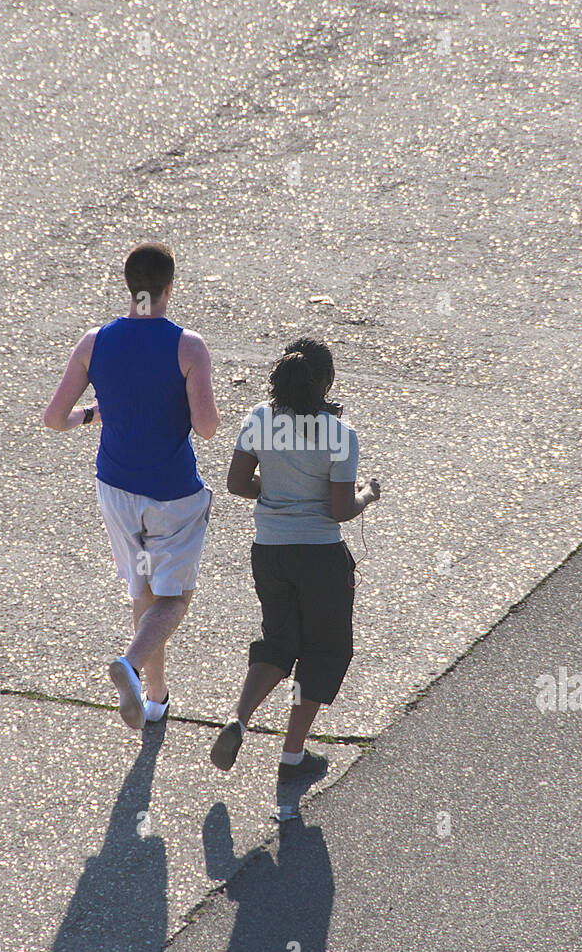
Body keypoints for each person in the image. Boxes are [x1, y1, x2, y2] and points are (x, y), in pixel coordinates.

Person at [43, 241, 219, 730]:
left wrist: (92, 414)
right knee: (174, 599)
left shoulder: (94, 341)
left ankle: (155, 697)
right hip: (173, 495)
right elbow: (206, 427)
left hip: (116, 491)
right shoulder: (188, 346)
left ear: (127, 284)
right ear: (168, 288)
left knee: (143, 591)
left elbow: (55, 418)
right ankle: (130, 664)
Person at [212, 337, 380, 785]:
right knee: (325, 650)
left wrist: (274, 491)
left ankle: (240, 719)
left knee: (279, 642)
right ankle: (291, 754)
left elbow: (235, 483)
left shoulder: (258, 420)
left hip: (270, 553)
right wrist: (368, 493)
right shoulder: (341, 435)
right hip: (320, 556)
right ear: (326, 383)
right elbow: (340, 510)